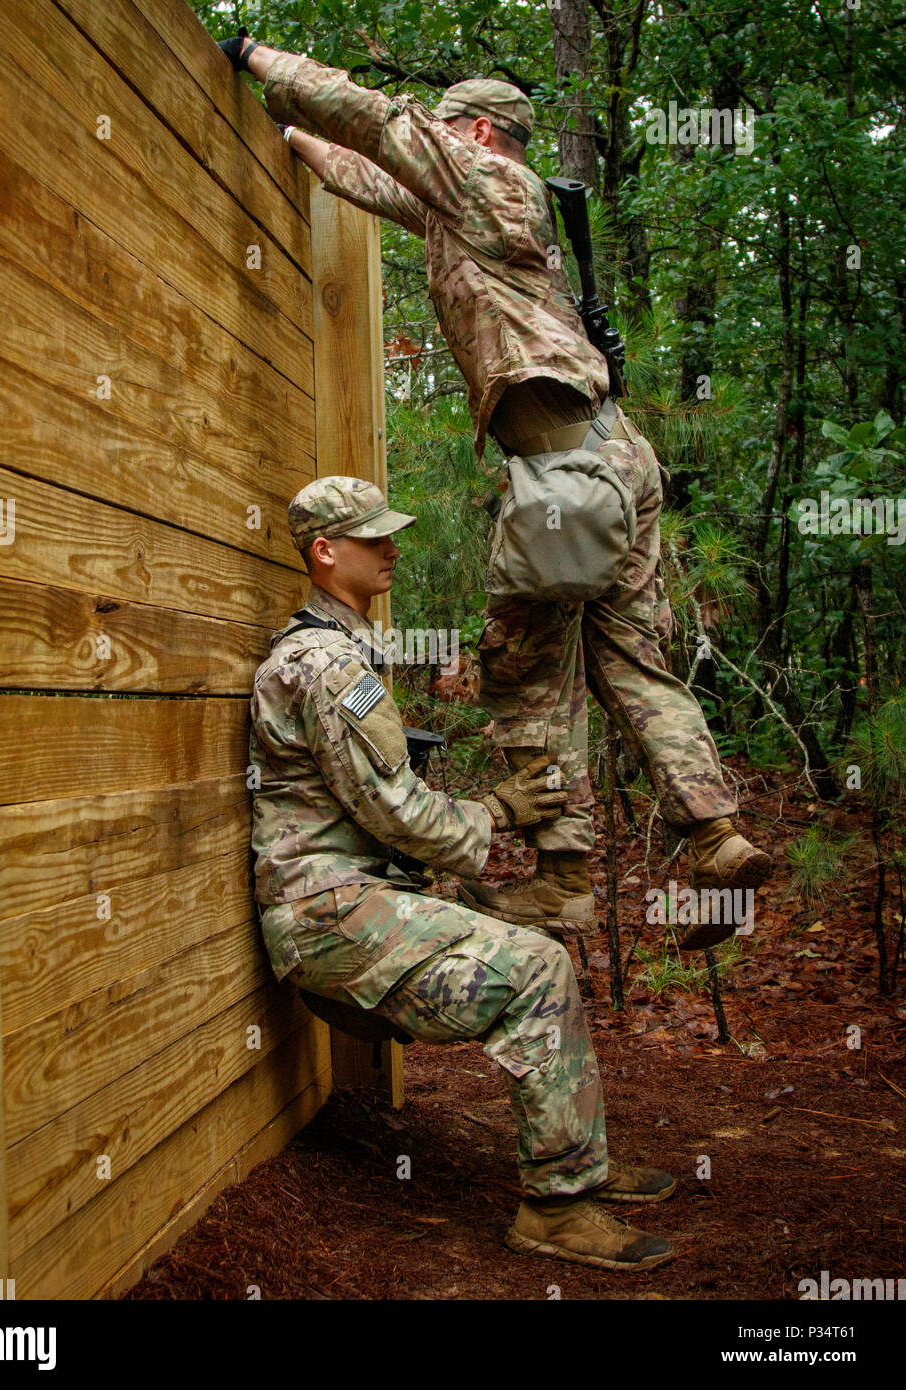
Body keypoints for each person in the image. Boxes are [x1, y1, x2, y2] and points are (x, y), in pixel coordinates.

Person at [222, 31, 772, 951]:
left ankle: (562, 880)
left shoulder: (491, 180)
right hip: (612, 462)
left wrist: (258, 58)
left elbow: (377, 122)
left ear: (477, 131)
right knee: (635, 665)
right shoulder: (476, 208)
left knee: (523, 670)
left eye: (446, 134)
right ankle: (715, 835)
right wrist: (294, 142)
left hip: (566, 471)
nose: (434, 145)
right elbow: (371, 177)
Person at [249, 474, 677, 1270]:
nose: (392, 548)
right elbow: (395, 812)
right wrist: (499, 813)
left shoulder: (344, 652)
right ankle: (556, 1209)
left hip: (358, 899)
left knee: (537, 933)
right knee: (537, 968)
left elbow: (381, 810)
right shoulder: (323, 665)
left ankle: (574, 1150)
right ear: (324, 551)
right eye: (373, 538)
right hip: (325, 915)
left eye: (389, 534)